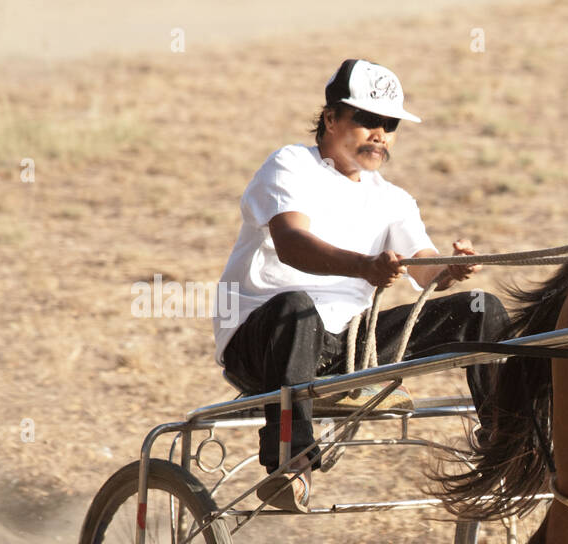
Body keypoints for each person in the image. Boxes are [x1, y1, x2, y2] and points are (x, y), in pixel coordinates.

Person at [214, 58, 508, 511]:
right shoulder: (290, 164)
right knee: (297, 306)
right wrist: (364, 267)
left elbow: (422, 267)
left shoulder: (392, 199)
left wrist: (451, 269)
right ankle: (289, 466)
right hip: (265, 341)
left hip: (350, 348)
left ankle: (506, 444)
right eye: (368, 120)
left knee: (480, 310)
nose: (381, 134)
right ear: (330, 118)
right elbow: (292, 244)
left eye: (389, 125)